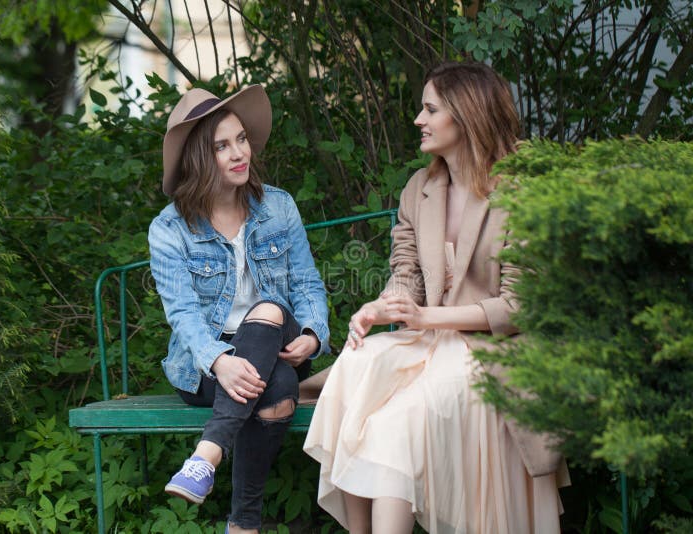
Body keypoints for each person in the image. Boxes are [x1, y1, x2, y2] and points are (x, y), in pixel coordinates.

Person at [302, 62, 569, 533]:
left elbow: (521, 305)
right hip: (431, 343)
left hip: (497, 353)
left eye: (430, 109)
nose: (418, 120)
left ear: (467, 116)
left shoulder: (525, 189)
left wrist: (425, 317)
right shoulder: (420, 189)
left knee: (389, 426)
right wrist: (381, 308)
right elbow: (406, 277)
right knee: (356, 366)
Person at [148, 85, 330, 534]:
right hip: (206, 366)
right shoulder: (169, 228)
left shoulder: (278, 206)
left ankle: (205, 456)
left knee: (268, 309)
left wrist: (313, 334)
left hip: (278, 334)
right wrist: (219, 361)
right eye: (221, 146)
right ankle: (243, 526)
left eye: (242, 139)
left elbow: (307, 284)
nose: (238, 153)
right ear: (197, 158)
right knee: (278, 394)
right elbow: (184, 315)